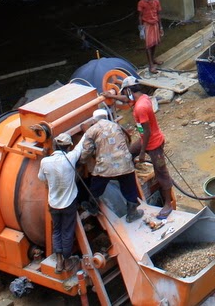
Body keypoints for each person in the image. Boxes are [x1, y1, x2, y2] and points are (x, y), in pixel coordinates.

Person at [74, 108, 142, 223]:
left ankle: (93, 206)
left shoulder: (91, 130)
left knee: (96, 185)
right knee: (129, 186)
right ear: (106, 117)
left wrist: (81, 162)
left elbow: (87, 150)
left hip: (105, 165)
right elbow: (126, 140)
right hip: (124, 162)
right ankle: (132, 213)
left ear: (94, 120)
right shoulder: (116, 126)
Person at [121, 75, 175, 219]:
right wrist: (111, 97)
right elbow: (126, 99)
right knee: (129, 154)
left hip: (153, 144)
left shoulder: (141, 107)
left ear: (129, 90)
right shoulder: (143, 97)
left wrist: (143, 153)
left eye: (125, 92)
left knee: (161, 173)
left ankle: (168, 204)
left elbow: (147, 132)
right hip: (145, 139)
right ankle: (133, 180)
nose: (125, 96)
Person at [37, 132, 81, 273]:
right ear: (68, 147)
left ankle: (59, 262)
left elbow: (41, 178)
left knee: (57, 230)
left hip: (54, 204)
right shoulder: (71, 157)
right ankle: (67, 261)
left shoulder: (45, 162)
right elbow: (80, 147)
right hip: (69, 204)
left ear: (55, 145)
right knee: (67, 231)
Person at [136, 0, 163, 73]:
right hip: (147, 25)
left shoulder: (156, 1)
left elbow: (158, 14)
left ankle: (153, 59)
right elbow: (140, 16)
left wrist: (161, 27)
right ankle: (151, 65)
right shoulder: (141, 3)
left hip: (155, 24)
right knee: (148, 45)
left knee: (154, 43)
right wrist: (141, 29)